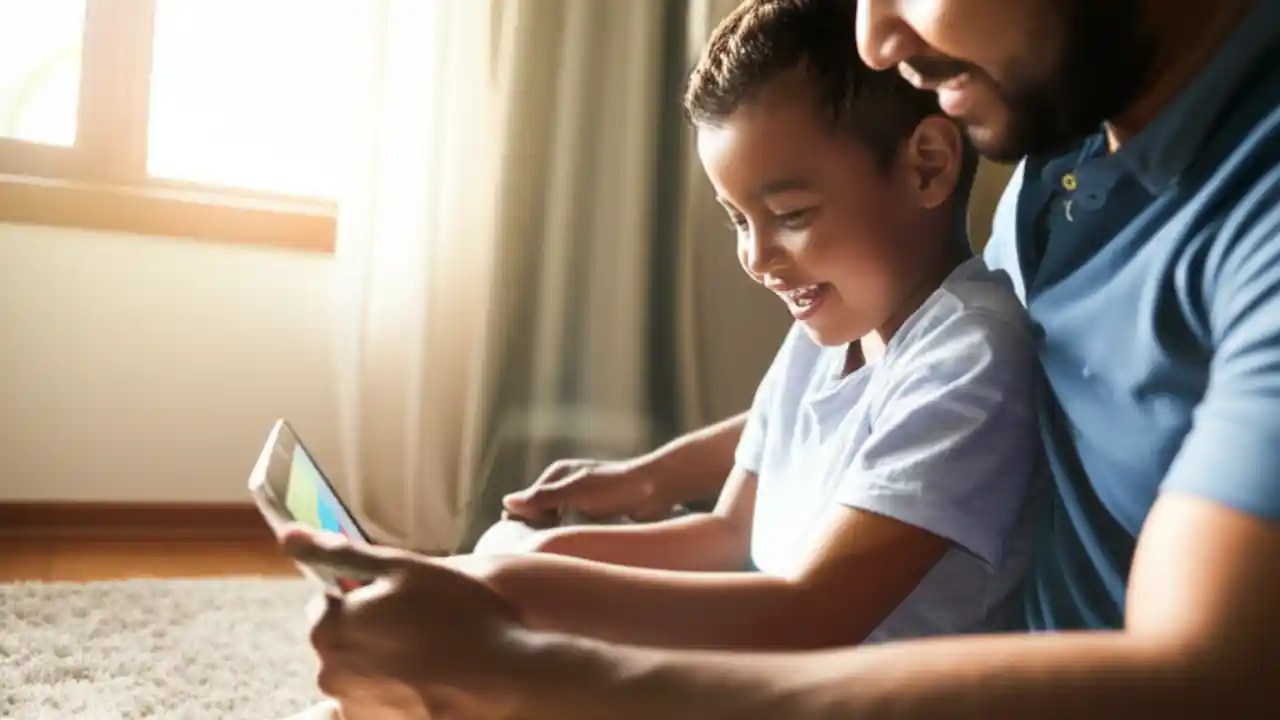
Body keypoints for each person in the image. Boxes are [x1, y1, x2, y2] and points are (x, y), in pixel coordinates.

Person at [284, 0, 1280, 717]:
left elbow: (1206, 677)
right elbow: (845, 429)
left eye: (789, 216)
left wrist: (518, 656)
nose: (876, 37)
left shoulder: (1235, 210)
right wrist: (636, 489)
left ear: (928, 168)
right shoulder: (1058, 139)